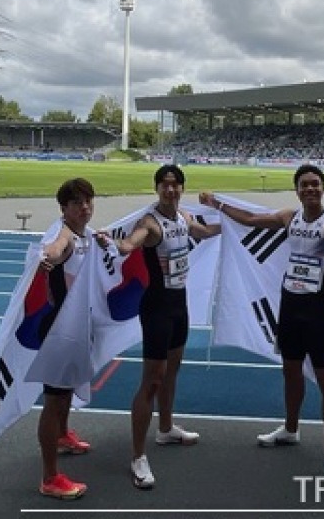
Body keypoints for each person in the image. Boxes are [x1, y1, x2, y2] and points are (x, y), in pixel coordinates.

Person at [199, 164, 324, 486]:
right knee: (290, 371)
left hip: (319, 312)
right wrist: (217, 204)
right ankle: (290, 429)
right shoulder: (289, 217)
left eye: (315, 184)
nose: (310, 189)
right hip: (290, 307)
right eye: (304, 184)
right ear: (297, 190)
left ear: (323, 187)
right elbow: (250, 220)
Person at [105, 165, 221, 490]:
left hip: (179, 307)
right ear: (157, 189)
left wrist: (232, 223)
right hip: (156, 309)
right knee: (152, 380)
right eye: (164, 185)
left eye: (175, 185)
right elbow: (131, 243)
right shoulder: (151, 223)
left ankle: (166, 429)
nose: (170, 190)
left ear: (182, 188)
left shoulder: (183, 217)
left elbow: (204, 232)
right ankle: (138, 456)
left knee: (172, 371)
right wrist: (116, 244)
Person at [35, 177, 101, 500]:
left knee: (66, 392)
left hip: (76, 327)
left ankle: (62, 435)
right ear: (64, 208)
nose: (84, 207)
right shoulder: (64, 235)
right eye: (77, 203)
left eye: (88, 201)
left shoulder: (87, 234)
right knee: (54, 399)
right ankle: (50, 478)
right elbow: (57, 248)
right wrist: (48, 255)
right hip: (58, 331)